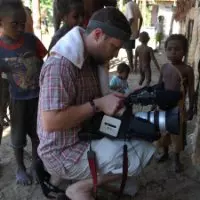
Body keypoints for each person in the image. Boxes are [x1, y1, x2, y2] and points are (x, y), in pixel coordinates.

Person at [37, 7, 156, 200]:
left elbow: (100, 97)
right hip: (63, 151)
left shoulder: (92, 58)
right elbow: (51, 122)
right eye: (114, 47)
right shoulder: (61, 65)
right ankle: (78, 189)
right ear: (98, 35)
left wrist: (119, 98)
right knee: (142, 153)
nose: (116, 53)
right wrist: (98, 104)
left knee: (132, 169)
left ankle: (70, 181)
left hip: (84, 134)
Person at [0, 0, 47, 184]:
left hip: (38, 98)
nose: (20, 28)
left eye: (23, 23)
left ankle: (37, 166)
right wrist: (2, 107)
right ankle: (20, 168)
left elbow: (44, 60)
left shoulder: (31, 40)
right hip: (18, 101)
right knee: (18, 138)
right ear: (1, 23)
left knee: (37, 135)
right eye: (15, 24)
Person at [156, 34, 194, 172]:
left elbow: (191, 89)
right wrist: (155, 99)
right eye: (170, 49)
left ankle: (176, 158)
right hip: (164, 106)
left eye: (177, 49)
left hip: (178, 107)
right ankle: (165, 153)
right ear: (165, 50)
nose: (173, 51)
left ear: (184, 51)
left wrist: (191, 108)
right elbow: (159, 85)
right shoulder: (164, 67)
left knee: (176, 133)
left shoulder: (187, 70)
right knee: (163, 130)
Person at [124, 0, 143, 72]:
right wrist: (138, 29)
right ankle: (132, 65)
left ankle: (131, 67)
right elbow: (141, 18)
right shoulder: (135, 4)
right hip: (134, 31)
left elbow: (131, 18)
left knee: (128, 50)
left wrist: (126, 28)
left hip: (129, 32)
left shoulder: (128, 5)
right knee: (129, 49)